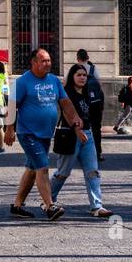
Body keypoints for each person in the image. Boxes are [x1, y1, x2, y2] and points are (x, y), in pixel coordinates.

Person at [7, 47, 86, 220]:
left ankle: (17, 206)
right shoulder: (22, 82)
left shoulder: (54, 81)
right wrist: (9, 129)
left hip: (45, 134)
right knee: (42, 168)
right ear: (34, 63)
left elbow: (65, 103)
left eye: (49, 60)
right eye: (43, 61)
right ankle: (50, 206)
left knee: (32, 169)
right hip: (28, 133)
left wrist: (76, 122)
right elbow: (12, 106)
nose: (48, 63)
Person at [50, 64, 113, 218]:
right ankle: (49, 199)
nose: (82, 78)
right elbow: (66, 113)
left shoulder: (87, 93)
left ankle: (96, 206)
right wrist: (77, 130)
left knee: (93, 171)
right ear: (72, 77)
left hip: (88, 135)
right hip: (71, 135)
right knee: (63, 172)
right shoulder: (67, 94)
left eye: (84, 75)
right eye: (79, 75)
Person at [76, 49, 106, 160]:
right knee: (96, 129)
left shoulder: (75, 69)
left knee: (81, 128)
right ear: (87, 58)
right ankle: (98, 153)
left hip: (81, 103)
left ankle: (82, 153)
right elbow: (100, 85)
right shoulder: (93, 69)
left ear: (78, 58)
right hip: (95, 103)